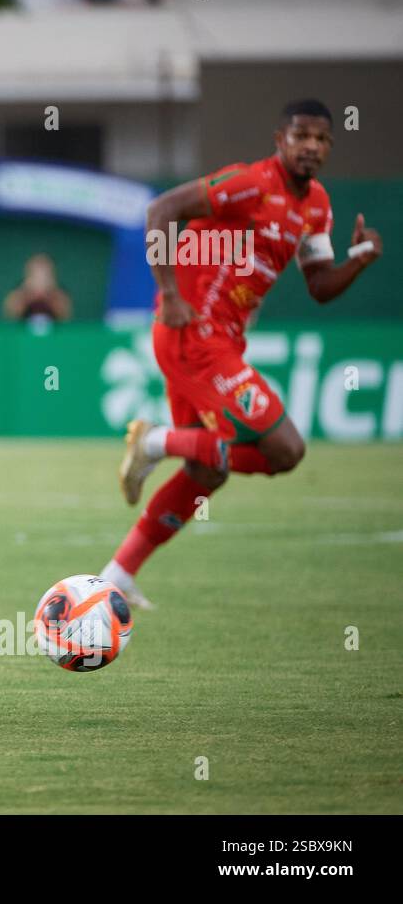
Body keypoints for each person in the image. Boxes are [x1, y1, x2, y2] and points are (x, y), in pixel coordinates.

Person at [104, 99, 384, 609]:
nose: (311, 147)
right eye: (301, 136)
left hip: (221, 342)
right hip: (194, 334)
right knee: (286, 449)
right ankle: (157, 441)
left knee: (208, 470)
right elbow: (161, 210)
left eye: (321, 139)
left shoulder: (316, 204)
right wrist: (169, 293)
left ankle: (116, 574)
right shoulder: (248, 183)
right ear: (280, 140)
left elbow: (319, 283)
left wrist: (359, 261)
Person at [2, 253, 72, 323]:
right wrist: (29, 295)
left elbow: (65, 314)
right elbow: (11, 313)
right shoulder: (20, 294)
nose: (40, 280)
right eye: (36, 276)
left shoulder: (58, 295)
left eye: (45, 276)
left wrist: (48, 297)